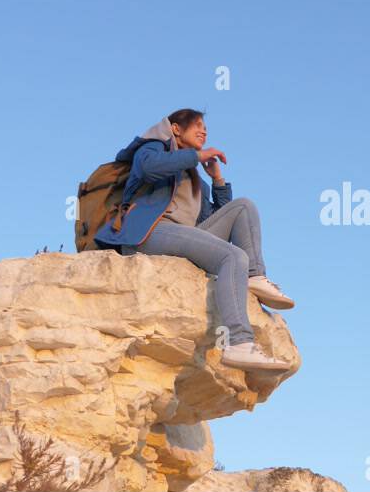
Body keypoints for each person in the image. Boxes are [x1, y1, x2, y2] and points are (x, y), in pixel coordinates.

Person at [95, 109, 294, 373]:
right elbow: (148, 168)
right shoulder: (153, 148)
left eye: (206, 128)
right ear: (176, 129)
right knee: (233, 257)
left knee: (244, 207)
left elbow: (216, 219)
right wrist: (197, 155)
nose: (204, 131)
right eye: (197, 126)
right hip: (148, 234)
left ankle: (255, 276)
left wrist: (217, 180)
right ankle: (239, 343)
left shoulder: (194, 179)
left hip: (179, 236)